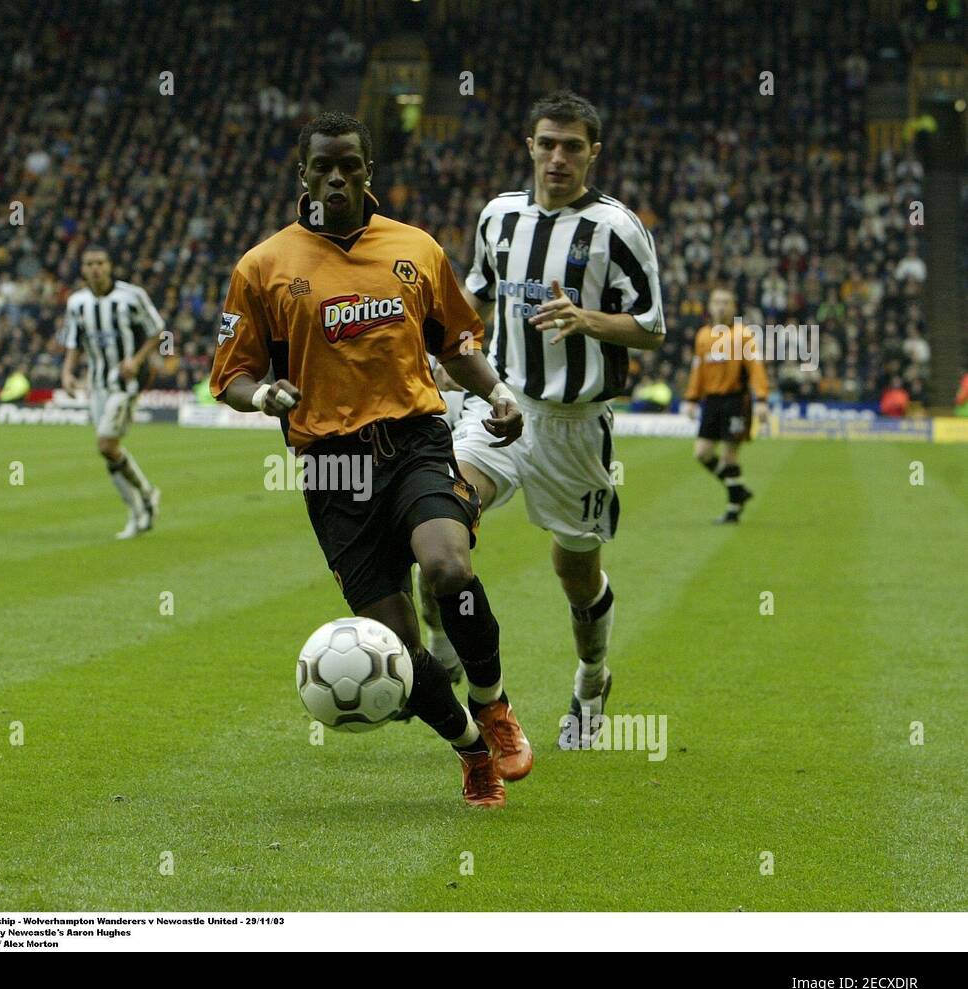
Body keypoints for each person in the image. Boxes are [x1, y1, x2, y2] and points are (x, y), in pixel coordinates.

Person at [211, 112, 531, 807]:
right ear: (303, 175)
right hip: (331, 467)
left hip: (414, 439)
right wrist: (263, 393)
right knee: (397, 645)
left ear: (368, 171)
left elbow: (458, 342)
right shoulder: (262, 267)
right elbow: (229, 374)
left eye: (349, 164)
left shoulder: (415, 248)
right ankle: (470, 747)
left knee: (449, 565)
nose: (336, 176)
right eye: (323, 165)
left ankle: (495, 702)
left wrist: (500, 392)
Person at [425, 90, 665, 751]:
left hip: (576, 424)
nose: (557, 156)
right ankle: (445, 653)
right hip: (503, 405)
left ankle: (592, 678)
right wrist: (452, 356)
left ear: (593, 152)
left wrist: (588, 319)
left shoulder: (618, 229)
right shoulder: (498, 218)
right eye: (547, 143)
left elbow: (652, 326)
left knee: (575, 572)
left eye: (572, 146)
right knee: (440, 524)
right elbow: (473, 293)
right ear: (529, 145)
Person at [60, 247, 164, 539]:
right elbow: (72, 342)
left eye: (100, 263)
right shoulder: (76, 303)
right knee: (109, 453)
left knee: (106, 444)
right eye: (89, 263)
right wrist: (67, 373)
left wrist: (137, 360)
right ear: (82, 269)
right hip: (97, 384)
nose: (95, 269)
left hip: (125, 384)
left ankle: (142, 500)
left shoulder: (132, 296)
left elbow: (157, 330)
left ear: (110, 266)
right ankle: (142, 504)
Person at [682, 287, 769, 523]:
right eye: (717, 302)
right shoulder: (703, 336)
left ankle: (733, 510)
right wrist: (691, 399)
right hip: (711, 401)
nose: (721, 306)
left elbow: (755, 367)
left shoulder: (743, 335)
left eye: (726, 302)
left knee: (730, 456)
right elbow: (698, 370)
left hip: (735, 400)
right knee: (702, 453)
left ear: (733, 307)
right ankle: (737, 490)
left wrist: (761, 399)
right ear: (710, 306)